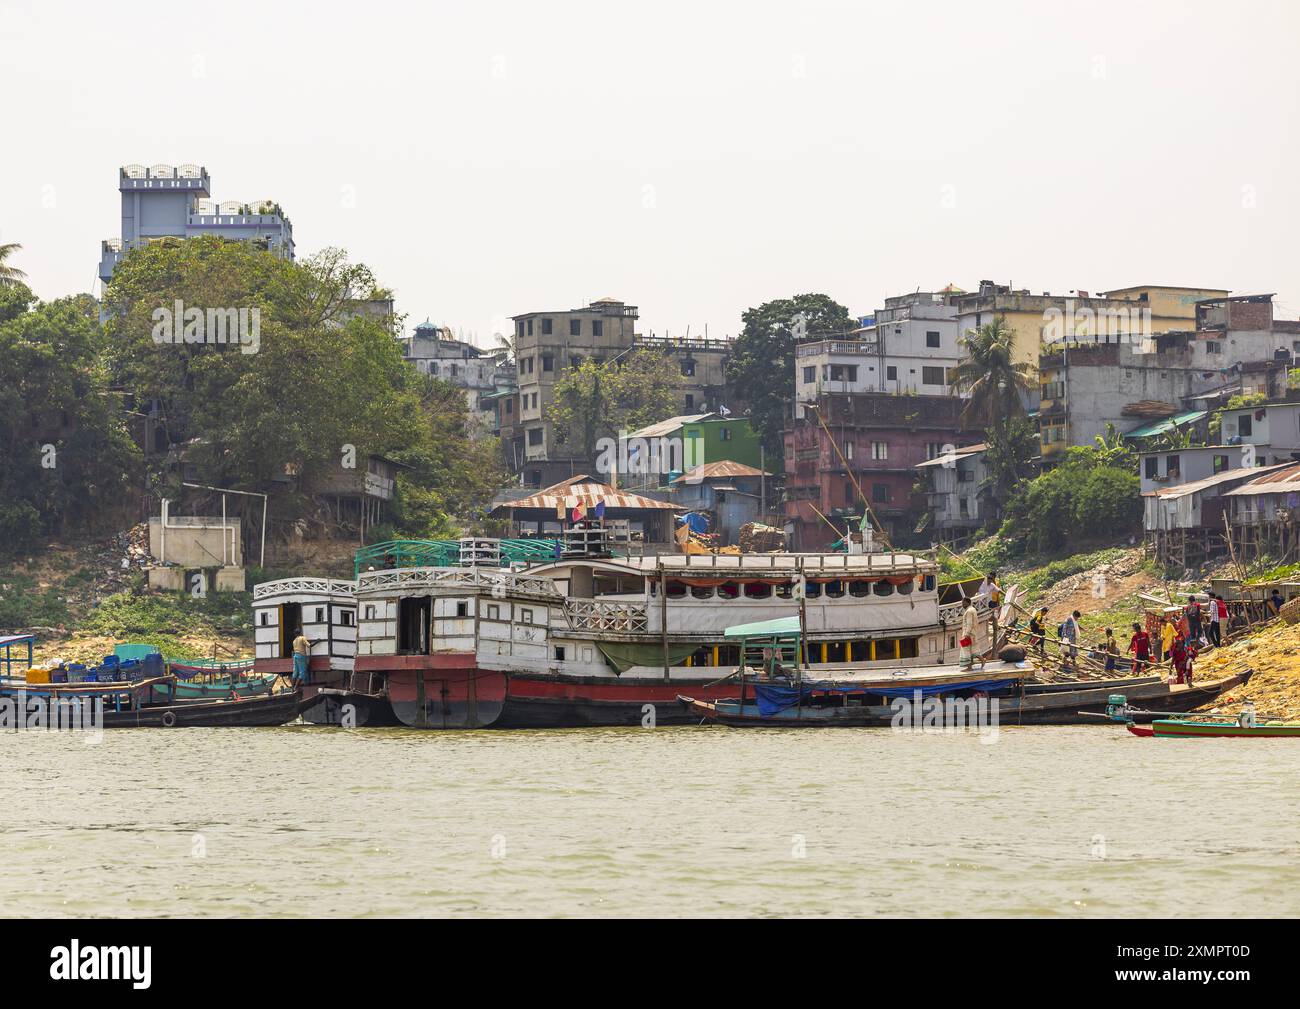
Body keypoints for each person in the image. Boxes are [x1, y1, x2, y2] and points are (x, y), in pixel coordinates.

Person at [959, 597, 978, 670]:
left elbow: (969, 624)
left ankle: (969, 667)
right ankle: (982, 660)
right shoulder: (973, 609)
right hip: (973, 633)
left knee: (966, 650)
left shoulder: (969, 611)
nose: (962, 604)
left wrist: (966, 634)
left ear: (967, 602)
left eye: (963, 602)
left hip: (969, 634)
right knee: (971, 650)